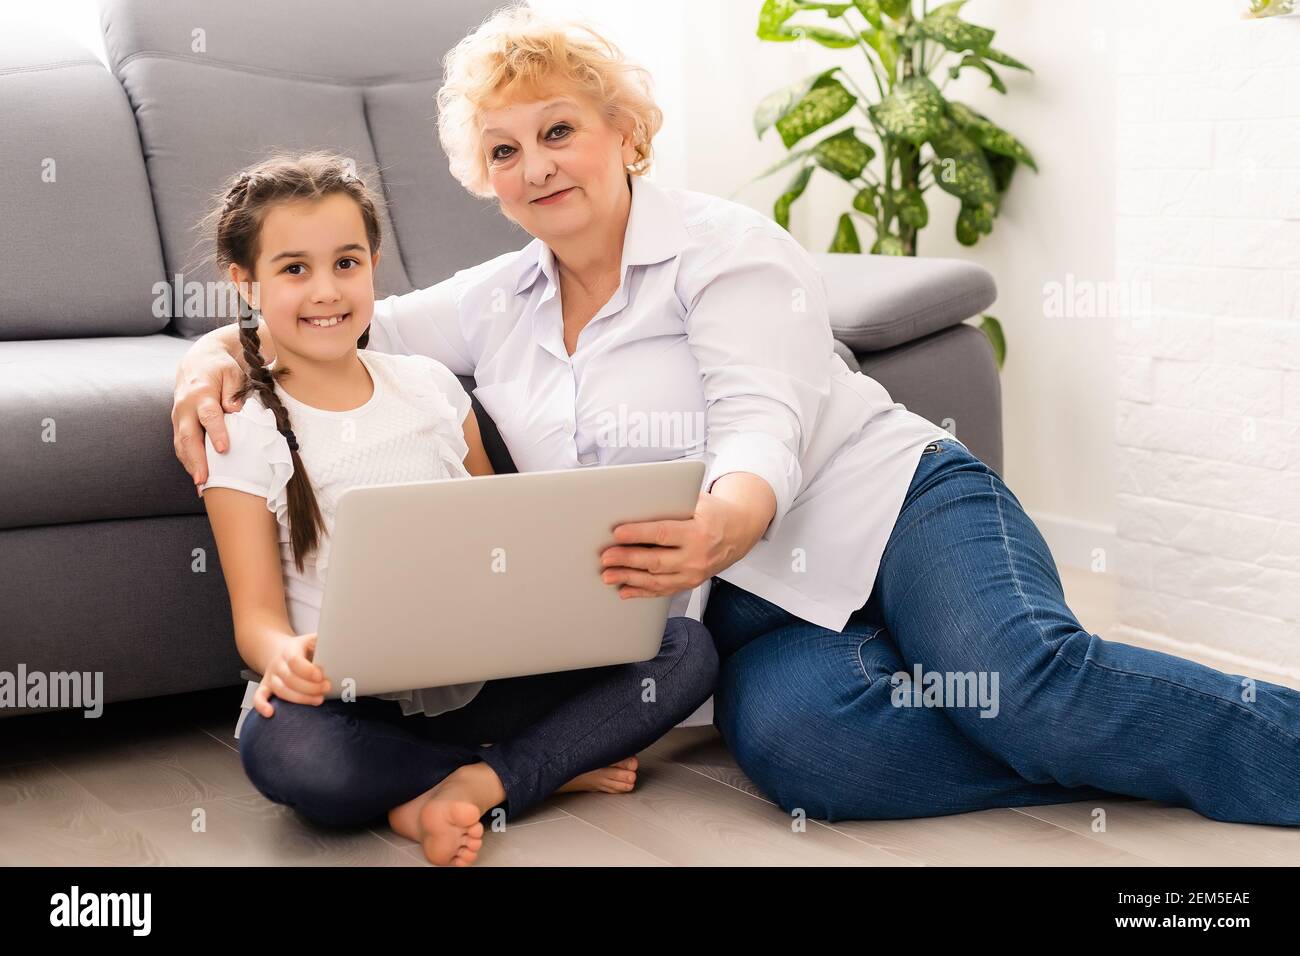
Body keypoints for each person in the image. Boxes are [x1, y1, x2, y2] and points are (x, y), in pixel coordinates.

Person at [174, 5, 1300, 828]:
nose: (535, 165)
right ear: (485, 174)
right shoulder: (490, 301)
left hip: (892, 509)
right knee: (812, 755)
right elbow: (330, 322)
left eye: (559, 130)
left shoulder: (725, 249)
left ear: (623, 129)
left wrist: (726, 515)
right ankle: (1113, 746)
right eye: (505, 149)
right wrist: (211, 359)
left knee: (1023, 685)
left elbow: (763, 415)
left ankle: (1175, 735)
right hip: (749, 607)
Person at [193, 151, 718, 866]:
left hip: (472, 684)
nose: (326, 290)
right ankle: (522, 772)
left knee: (683, 648)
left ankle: (478, 778)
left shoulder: (431, 387)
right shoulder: (244, 426)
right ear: (244, 283)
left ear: (375, 262)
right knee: (286, 753)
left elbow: (494, 539)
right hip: (344, 703)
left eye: (347, 263)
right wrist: (283, 658)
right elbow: (255, 618)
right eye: (294, 269)